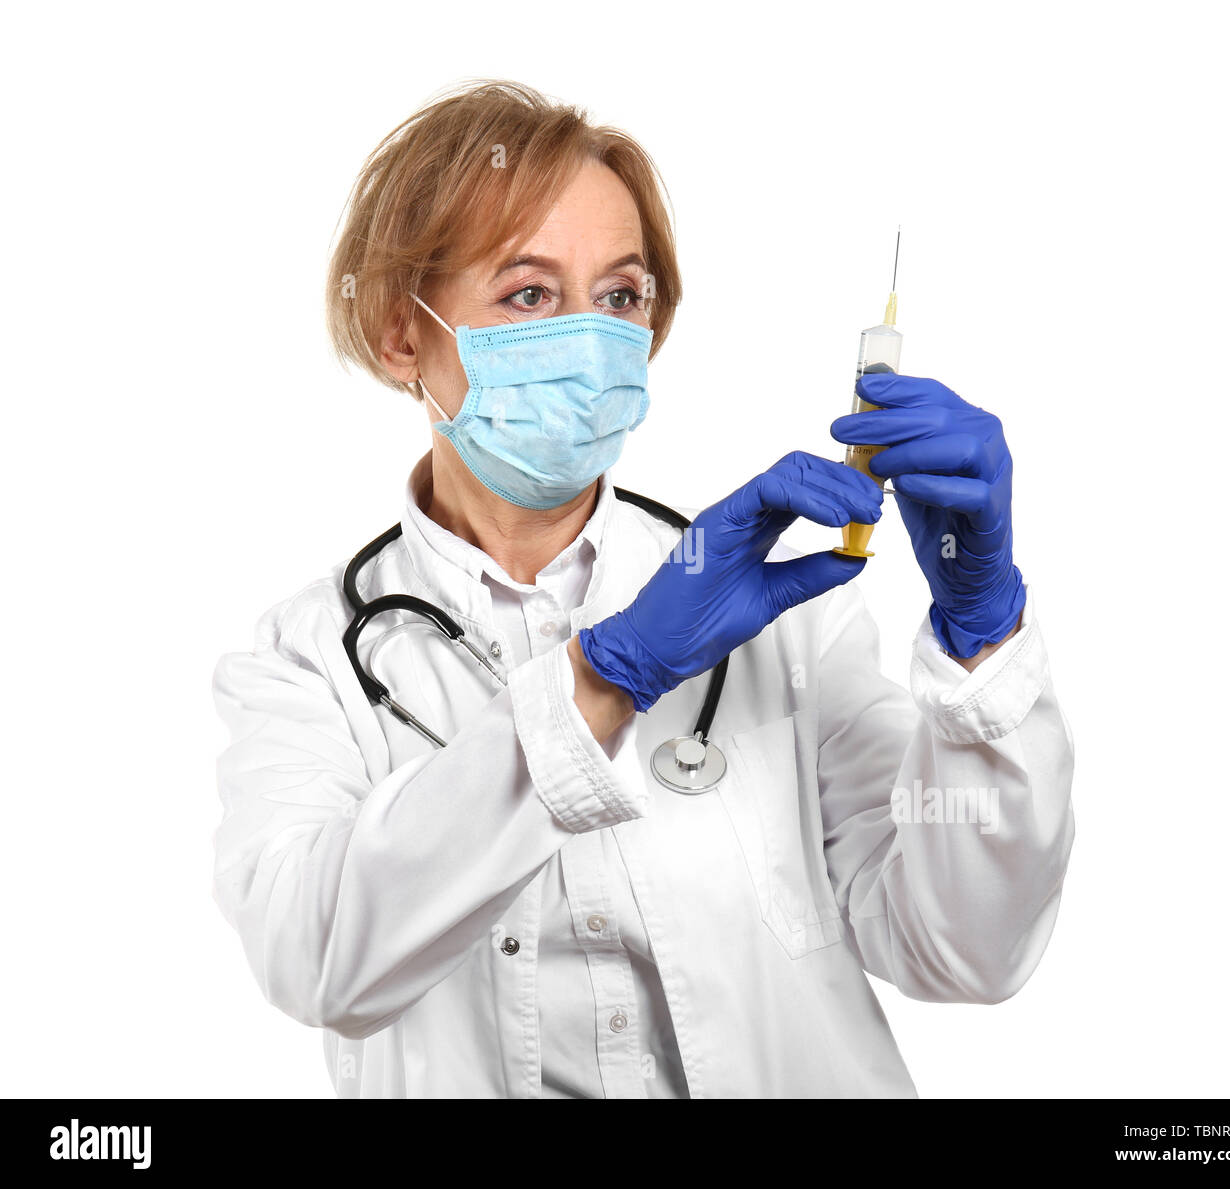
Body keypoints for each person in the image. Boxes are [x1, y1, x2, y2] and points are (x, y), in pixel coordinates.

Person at [211, 80, 1075, 1098]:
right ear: (403, 334)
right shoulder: (311, 655)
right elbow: (317, 959)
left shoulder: (778, 616)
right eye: (528, 293)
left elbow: (962, 952)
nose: (590, 339)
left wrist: (982, 639)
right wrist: (603, 678)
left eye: (620, 296)